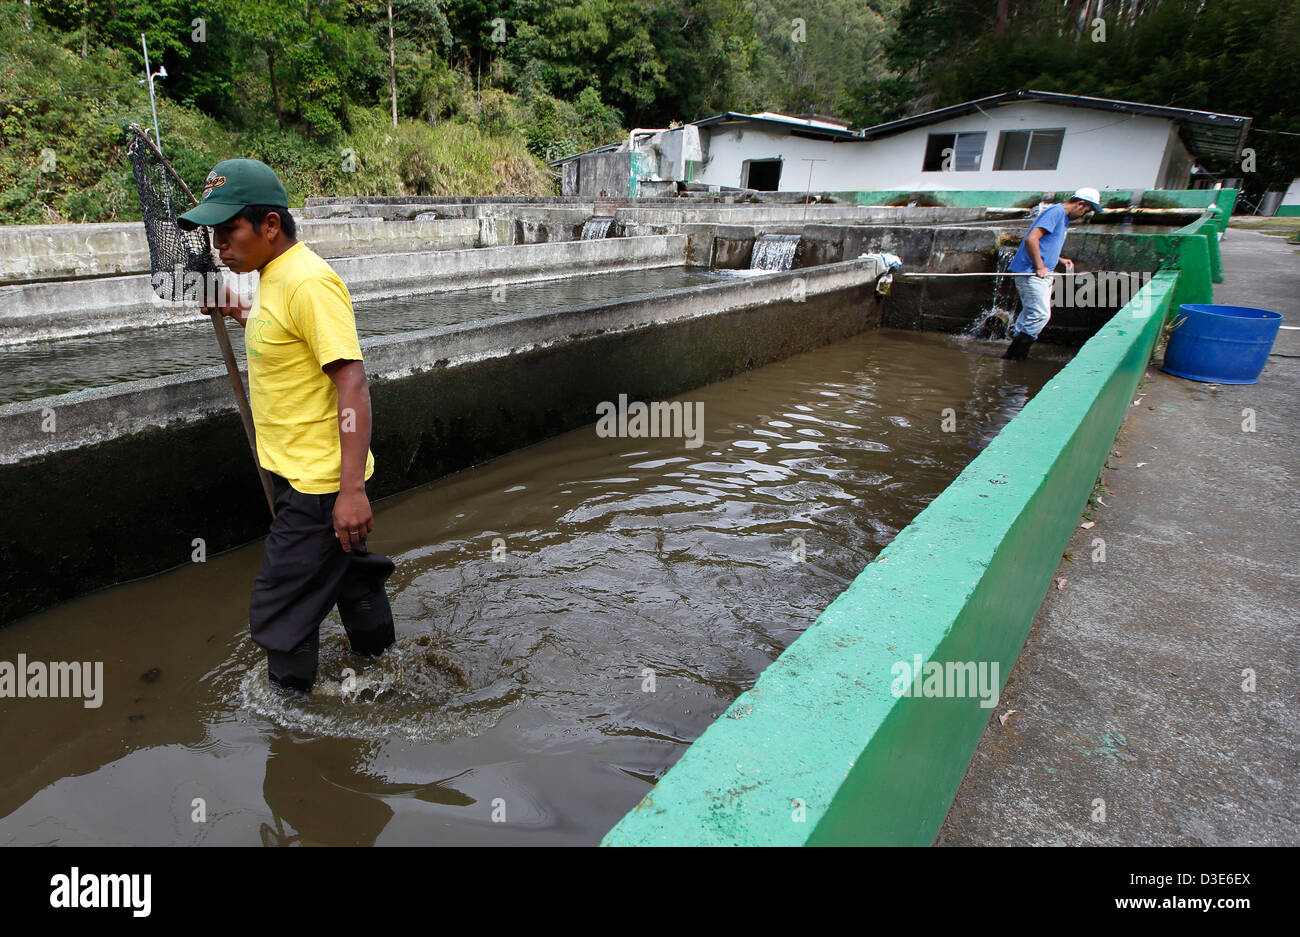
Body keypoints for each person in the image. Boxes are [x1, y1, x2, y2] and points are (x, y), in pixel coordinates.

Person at [178, 158, 396, 693]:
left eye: (229, 232)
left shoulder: (309, 283)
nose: (220, 247)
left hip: (318, 485)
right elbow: (283, 334)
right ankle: (383, 665)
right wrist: (239, 310)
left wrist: (349, 491)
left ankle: (293, 722)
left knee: (280, 606)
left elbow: (353, 385)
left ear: (270, 225)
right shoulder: (271, 279)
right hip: (300, 472)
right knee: (348, 574)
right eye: (214, 236)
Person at [1002, 187, 1102, 360]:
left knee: (1030, 313)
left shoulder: (1062, 217)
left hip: (1039, 272)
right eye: (1087, 209)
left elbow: (1046, 242)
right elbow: (1032, 239)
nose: (1086, 213)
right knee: (1041, 314)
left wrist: (1059, 259)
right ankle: (1014, 355)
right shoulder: (1056, 212)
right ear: (1080, 204)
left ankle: (1014, 355)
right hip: (1031, 272)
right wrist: (1039, 266)